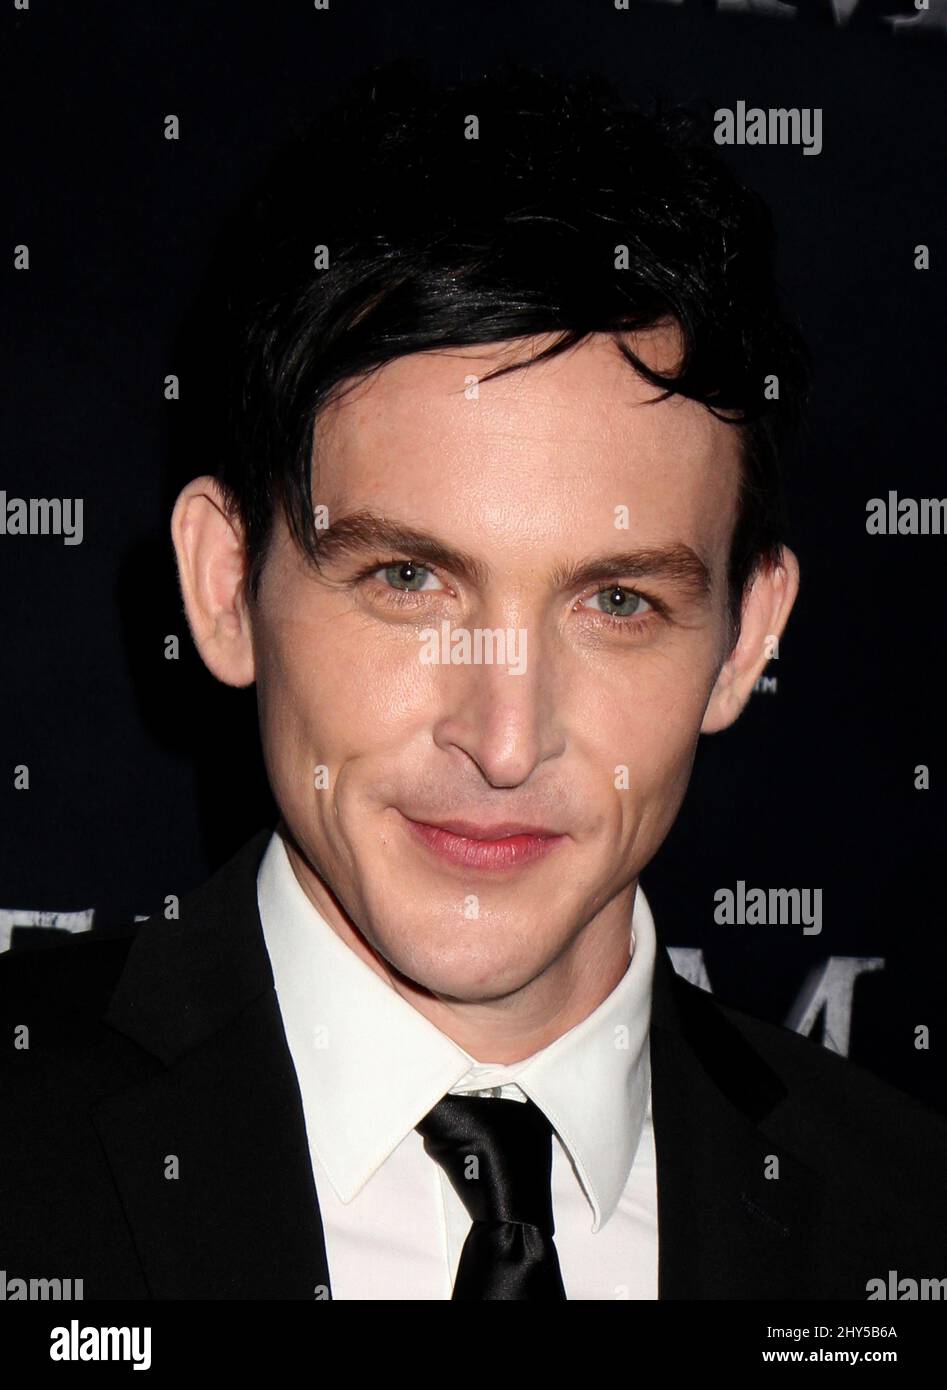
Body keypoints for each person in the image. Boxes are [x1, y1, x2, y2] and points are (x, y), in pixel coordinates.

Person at [1, 62, 944, 1301]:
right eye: (405, 579)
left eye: (616, 602)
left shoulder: (908, 1222)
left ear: (743, 640)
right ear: (225, 585)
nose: (504, 739)